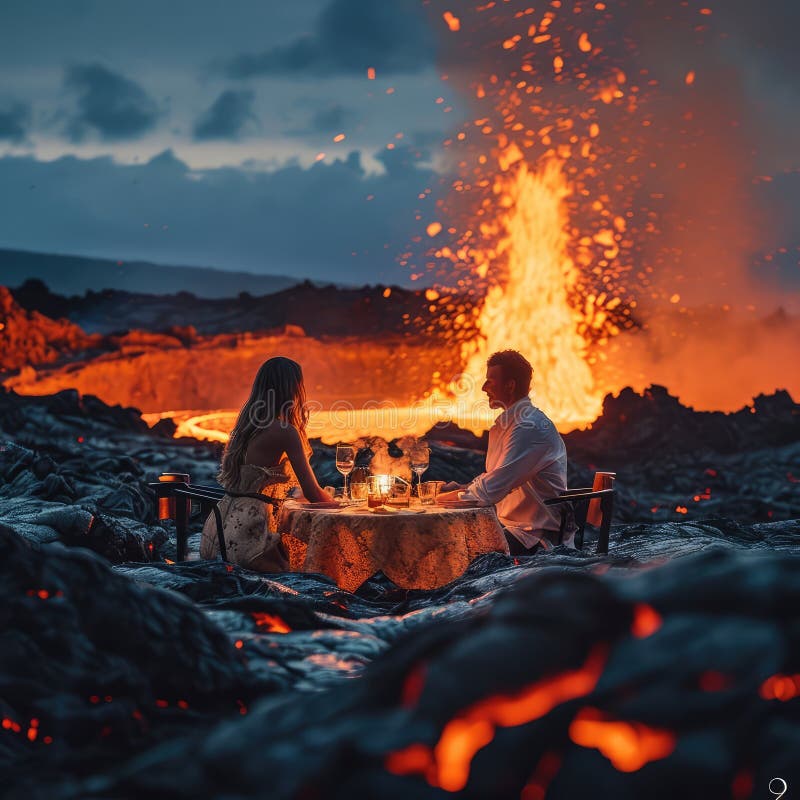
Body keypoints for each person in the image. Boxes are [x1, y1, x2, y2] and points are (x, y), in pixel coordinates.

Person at [200, 356, 333, 571]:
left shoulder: (246, 427)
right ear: (292, 390)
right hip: (248, 536)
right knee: (307, 567)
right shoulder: (285, 431)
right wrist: (345, 507)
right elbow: (313, 492)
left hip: (217, 533)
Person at [438, 350, 571, 555]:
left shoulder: (528, 427)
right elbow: (494, 480)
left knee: (447, 543)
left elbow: (490, 491)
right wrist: (461, 487)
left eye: (490, 381)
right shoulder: (512, 423)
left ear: (510, 385)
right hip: (513, 528)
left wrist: (438, 500)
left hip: (533, 537)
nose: (483, 388)